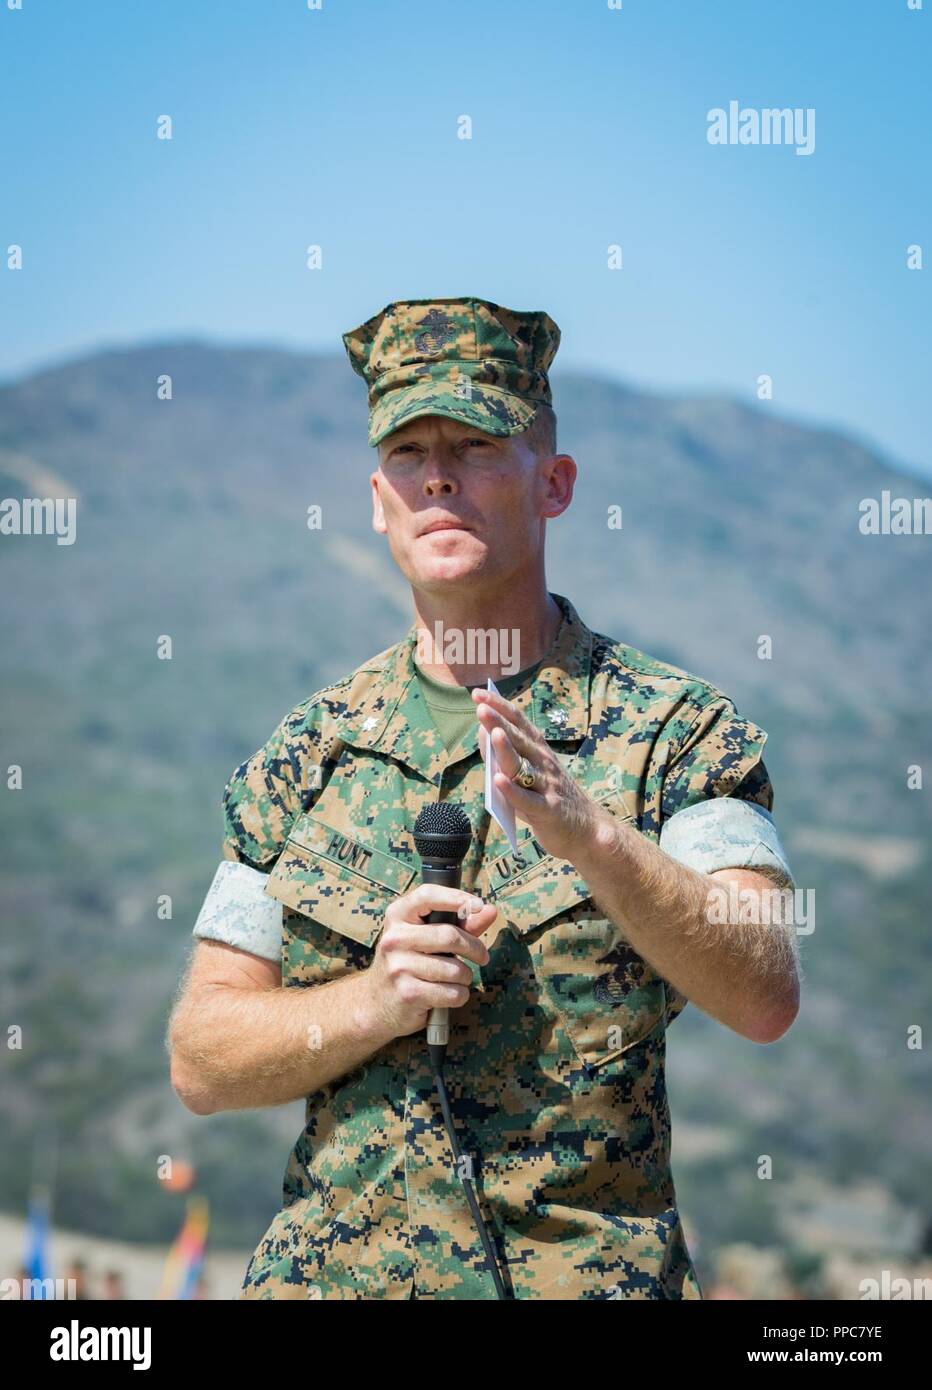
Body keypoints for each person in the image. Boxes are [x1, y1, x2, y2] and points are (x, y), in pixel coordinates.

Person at [168, 296, 800, 1300]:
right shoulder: (304, 757)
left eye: (473, 442)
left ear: (552, 483)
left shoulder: (674, 734)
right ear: (379, 500)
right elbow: (203, 1057)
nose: (439, 476)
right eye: (410, 452)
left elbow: (764, 985)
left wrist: (594, 836)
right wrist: (372, 1000)